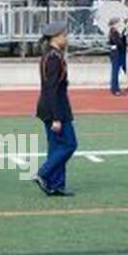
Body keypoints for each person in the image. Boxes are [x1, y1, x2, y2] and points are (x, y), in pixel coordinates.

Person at [34, 21, 76, 197]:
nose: (66, 38)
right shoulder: (53, 58)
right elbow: (51, 89)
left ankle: (55, 184)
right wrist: (56, 117)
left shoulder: (53, 55)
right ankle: (43, 173)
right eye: (64, 35)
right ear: (56, 37)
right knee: (69, 144)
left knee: (56, 147)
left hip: (53, 107)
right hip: (55, 108)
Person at [107, 17, 127, 96]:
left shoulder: (115, 32)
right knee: (115, 72)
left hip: (115, 52)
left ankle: (116, 88)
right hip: (116, 53)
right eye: (118, 23)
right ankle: (115, 89)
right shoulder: (114, 32)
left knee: (116, 71)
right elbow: (118, 43)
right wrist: (124, 47)